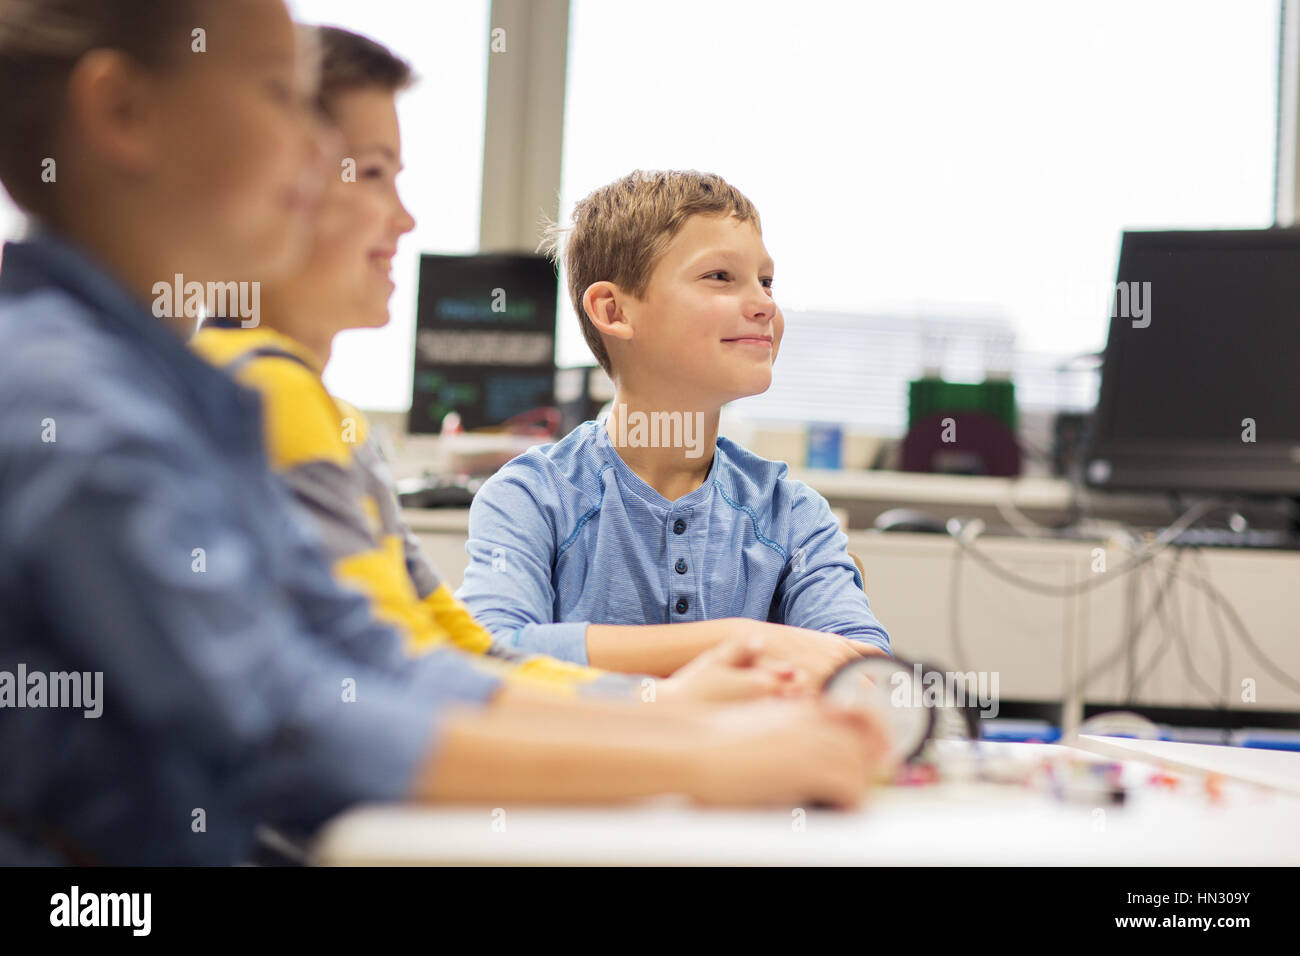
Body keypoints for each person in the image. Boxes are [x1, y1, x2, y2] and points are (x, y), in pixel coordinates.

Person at [0, 0, 887, 865]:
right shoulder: (74, 400)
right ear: (123, 111)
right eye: (278, 94)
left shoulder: (174, 395)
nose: (317, 154)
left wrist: (674, 723)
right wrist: (696, 754)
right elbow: (282, 718)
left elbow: (383, 660)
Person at [457, 169, 892, 684]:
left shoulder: (792, 516)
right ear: (613, 310)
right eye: (720, 277)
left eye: (766, 281)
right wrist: (741, 640)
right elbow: (489, 650)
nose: (766, 304)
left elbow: (867, 677)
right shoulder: (530, 498)